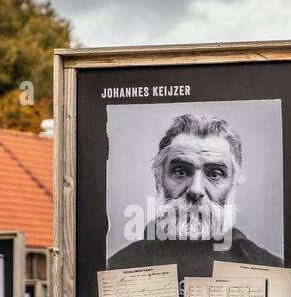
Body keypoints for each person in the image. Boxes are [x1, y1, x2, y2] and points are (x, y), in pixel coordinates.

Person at [107, 113, 281, 275]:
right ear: (159, 180)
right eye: (181, 172)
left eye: (214, 174)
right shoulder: (118, 268)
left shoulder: (270, 270)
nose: (196, 190)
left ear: (233, 185)